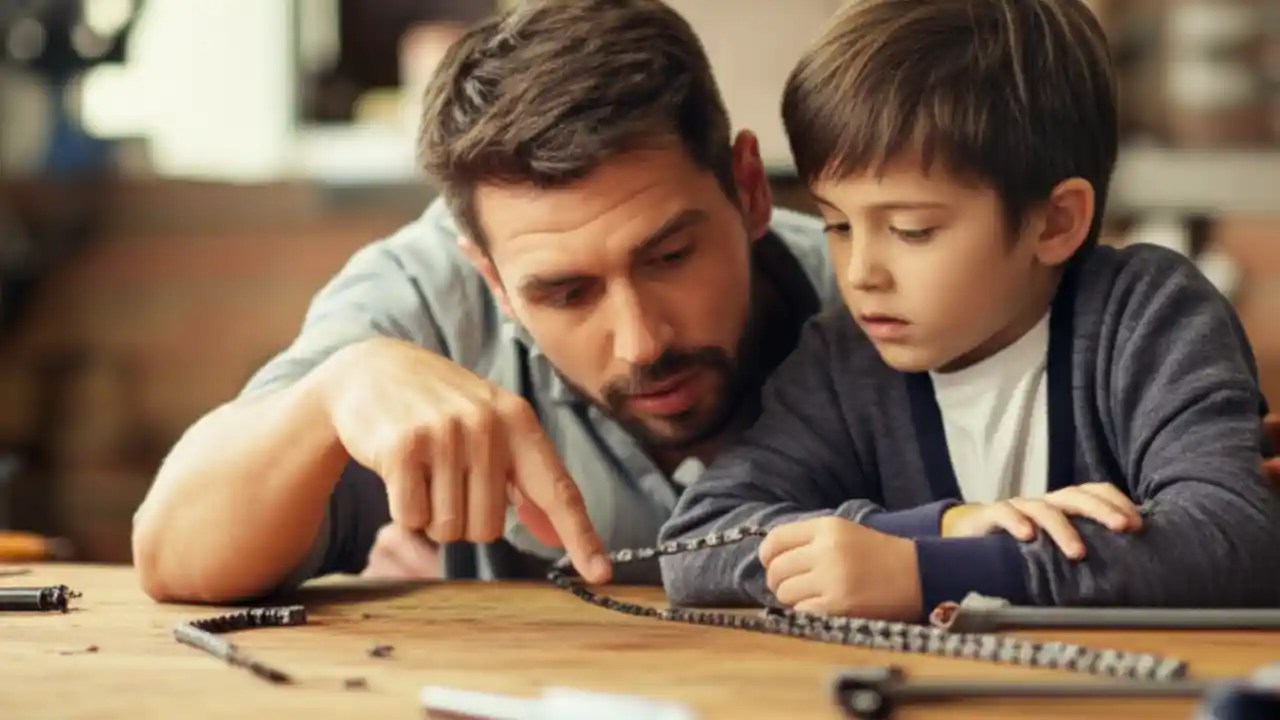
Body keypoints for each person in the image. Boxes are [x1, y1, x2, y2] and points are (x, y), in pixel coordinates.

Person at [658, 0, 1280, 620]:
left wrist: (931, 571)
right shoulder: (842, 363)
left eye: (912, 230)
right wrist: (947, 526)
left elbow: (1235, 538)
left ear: (1055, 222)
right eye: (838, 225)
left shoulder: (1149, 318)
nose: (860, 273)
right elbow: (697, 540)